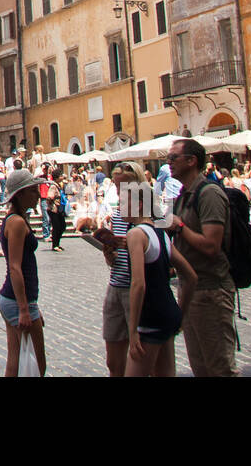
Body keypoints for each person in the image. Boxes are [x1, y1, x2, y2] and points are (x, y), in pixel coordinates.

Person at [166, 138, 238, 377]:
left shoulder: (209, 194)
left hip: (211, 290)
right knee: (201, 367)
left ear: (191, 160)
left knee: (219, 367)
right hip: (190, 290)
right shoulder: (185, 195)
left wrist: (179, 227)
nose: (169, 163)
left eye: (173, 158)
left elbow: (211, 246)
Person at [126, 179, 197, 378]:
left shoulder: (136, 234)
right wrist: (180, 312)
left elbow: (138, 284)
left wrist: (132, 331)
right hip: (169, 314)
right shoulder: (162, 234)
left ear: (139, 204)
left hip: (150, 317)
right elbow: (190, 276)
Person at [0, 169, 46, 377]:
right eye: (33, 190)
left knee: (16, 362)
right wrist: (25, 309)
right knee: (38, 364)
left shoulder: (16, 219)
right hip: (17, 301)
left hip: (12, 299)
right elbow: (15, 267)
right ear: (22, 194)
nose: (37, 194)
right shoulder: (16, 222)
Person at [101, 160, 144, 377]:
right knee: (113, 361)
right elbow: (113, 260)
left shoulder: (150, 216)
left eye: (123, 187)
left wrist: (135, 244)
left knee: (140, 358)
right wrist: (109, 252)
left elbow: (161, 257)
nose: (119, 193)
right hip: (115, 285)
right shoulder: (117, 215)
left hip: (137, 288)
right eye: (116, 188)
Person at [46, 177, 67, 251]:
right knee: (56, 227)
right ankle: (55, 245)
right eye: (60, 175)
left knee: (62, 226)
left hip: (58, 210)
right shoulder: (53, 186)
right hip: (53, 210)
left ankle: (57, 243)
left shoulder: (58, 185)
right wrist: (52, 200)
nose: (62, 177)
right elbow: (49, 197)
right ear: (57, 176)